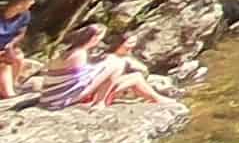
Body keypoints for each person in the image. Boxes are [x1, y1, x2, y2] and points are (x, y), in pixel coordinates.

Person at [43, 28, 179, 110]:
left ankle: (157, 99)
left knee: (136, 78)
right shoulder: (79, 54)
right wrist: (101, 70)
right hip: (64, 96)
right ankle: (99, 102)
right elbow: (80, 80)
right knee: (116, 64)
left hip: (61, 94)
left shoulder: (71, 52)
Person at [0, 0, 33, 100]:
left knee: (19, 58)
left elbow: (21, 33)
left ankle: (12, 84)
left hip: (6, 47)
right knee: (4, 65)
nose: (33, 2)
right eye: (30, 1)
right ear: (18, 4)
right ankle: (8, 94)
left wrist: (10, 45)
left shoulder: (25, 15)